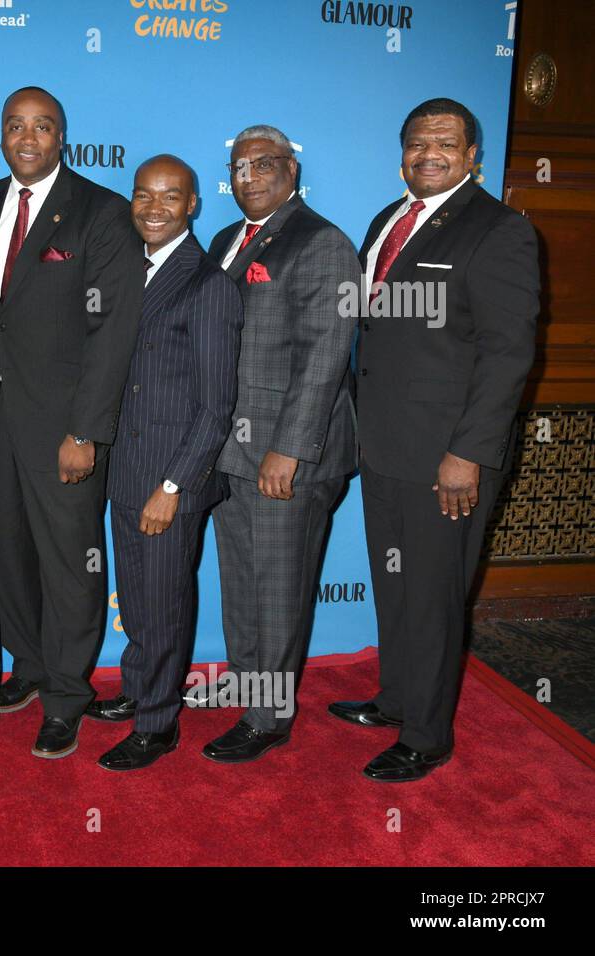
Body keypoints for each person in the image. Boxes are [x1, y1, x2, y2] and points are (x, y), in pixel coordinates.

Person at [334, 98, 538, 782]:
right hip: (383, 445)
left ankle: (427, 735)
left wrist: (469, 453)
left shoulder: (498, 230)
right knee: (396, 586)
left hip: (446, 457)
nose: (430, 152)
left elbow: (508, 352)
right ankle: (397, 698)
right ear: (401, 154)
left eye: (446, 142)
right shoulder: (387, 220)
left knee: (434, 593)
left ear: (473, 155)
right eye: (418, 141)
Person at [0, 87, 142, 759]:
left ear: (63, 135)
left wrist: (87, 431)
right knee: (8, 556)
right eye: (14, 125)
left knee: (69, 564)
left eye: (42, 126)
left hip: (64, 430)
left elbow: (113, 333)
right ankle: (27, 666)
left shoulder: (103, 211)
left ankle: (66, 693)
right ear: (0, 135)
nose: (26, 137)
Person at [204, 124, 360, 763]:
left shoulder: (320, 242)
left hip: (283, 456)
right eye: (239, 166)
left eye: (264, 164)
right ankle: (248, 684)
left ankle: (268, 719)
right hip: (230, 451)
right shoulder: (225, 240)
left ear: (292, 172)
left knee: (279, 588)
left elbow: (325, 355)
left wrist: (289, 450)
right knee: (242, 581)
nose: (249, 175)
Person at [88, 156, 242, 771]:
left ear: (194, 205)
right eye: (143, 195)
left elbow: (215, 406)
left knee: (165, 600)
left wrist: (173, 485)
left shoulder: (207, 284)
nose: (153, 207)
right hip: (124, 470)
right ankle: (137, 688)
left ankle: (158, 725)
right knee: (141, 597)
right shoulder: (130, 269)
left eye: (169, 197)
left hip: (168, 479)